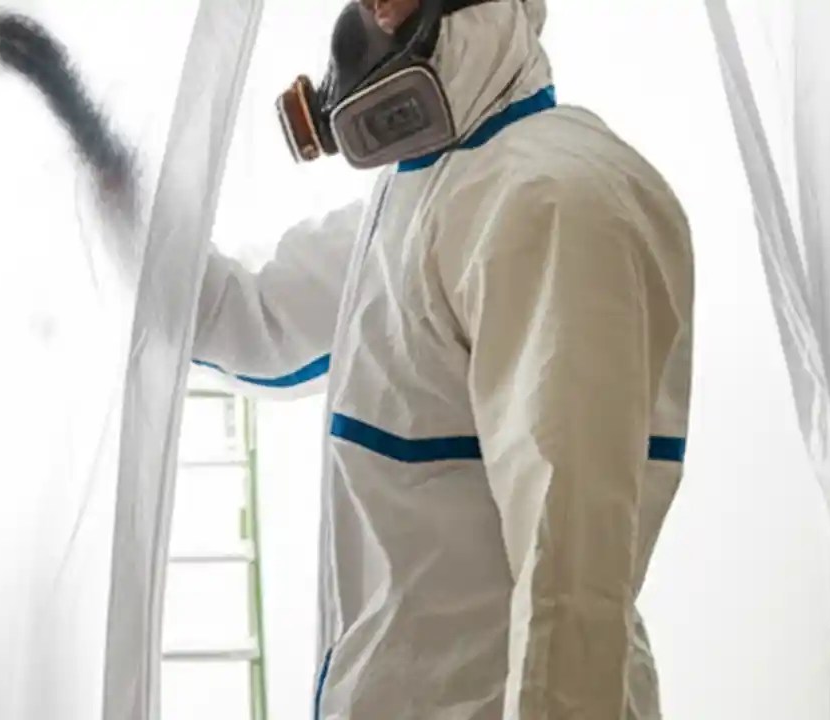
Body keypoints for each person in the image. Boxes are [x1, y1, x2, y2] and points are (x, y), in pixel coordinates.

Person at [198, 0, 694, 717]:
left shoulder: (551, 197)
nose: (373, 11)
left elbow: (572, 564)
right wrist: (100, 156)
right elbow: (250, 319)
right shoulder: (424, 195)